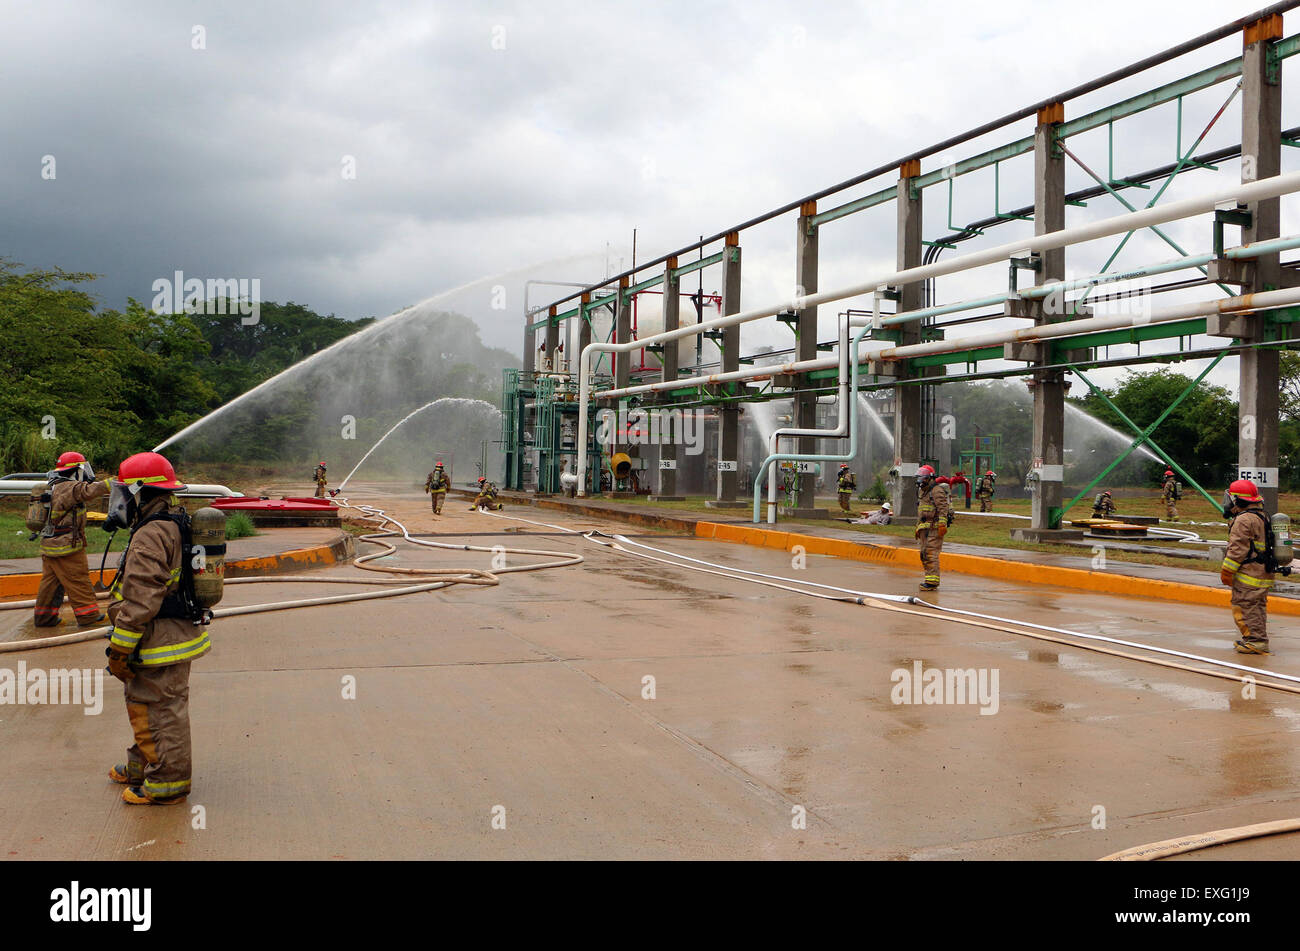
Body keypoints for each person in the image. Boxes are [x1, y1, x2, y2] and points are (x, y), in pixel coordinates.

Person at [104, 452, 211, 805]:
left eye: (124, 492)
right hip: (173, 635)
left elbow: (139, 602)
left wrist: (119, 649)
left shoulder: (151, 535)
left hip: (156, 641)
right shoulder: (174, 521)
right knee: (148, 707)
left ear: (138, 493)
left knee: (161, 712)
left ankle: (167, 784)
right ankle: (141, 767)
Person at [33, 451, 109, 628]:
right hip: (67, 546)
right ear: (75, 470)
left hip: (51, 545)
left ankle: (45, 618)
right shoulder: (69, 486)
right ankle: (88, 616)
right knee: (78, 579)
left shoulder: (54, 485)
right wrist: (114, 483)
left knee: (50, 584)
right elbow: (89, 490)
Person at [1220, 479, 1274, 655]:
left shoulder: (1243, 520)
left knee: (1244, 607)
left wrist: (1227, 572)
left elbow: (1237, 550)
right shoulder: (1262, 515)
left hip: (1248, 575)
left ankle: (1256, 641)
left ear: (1238, 501)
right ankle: (1256, 638)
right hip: (1263, 573)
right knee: (1257, 608)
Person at [915, 465, 950, 591]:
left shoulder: (936, 490)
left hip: (935, 528)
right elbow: (921, 512)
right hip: (924, 529)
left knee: (931, 553)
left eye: (923, 476)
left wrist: (942, 524)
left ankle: (932, 582)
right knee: (924, 554)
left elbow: (943, 508)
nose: (920, 479)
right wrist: (918, 527)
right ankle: (929, 578)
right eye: (919, 476)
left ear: (929, 477)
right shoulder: (923, 492)